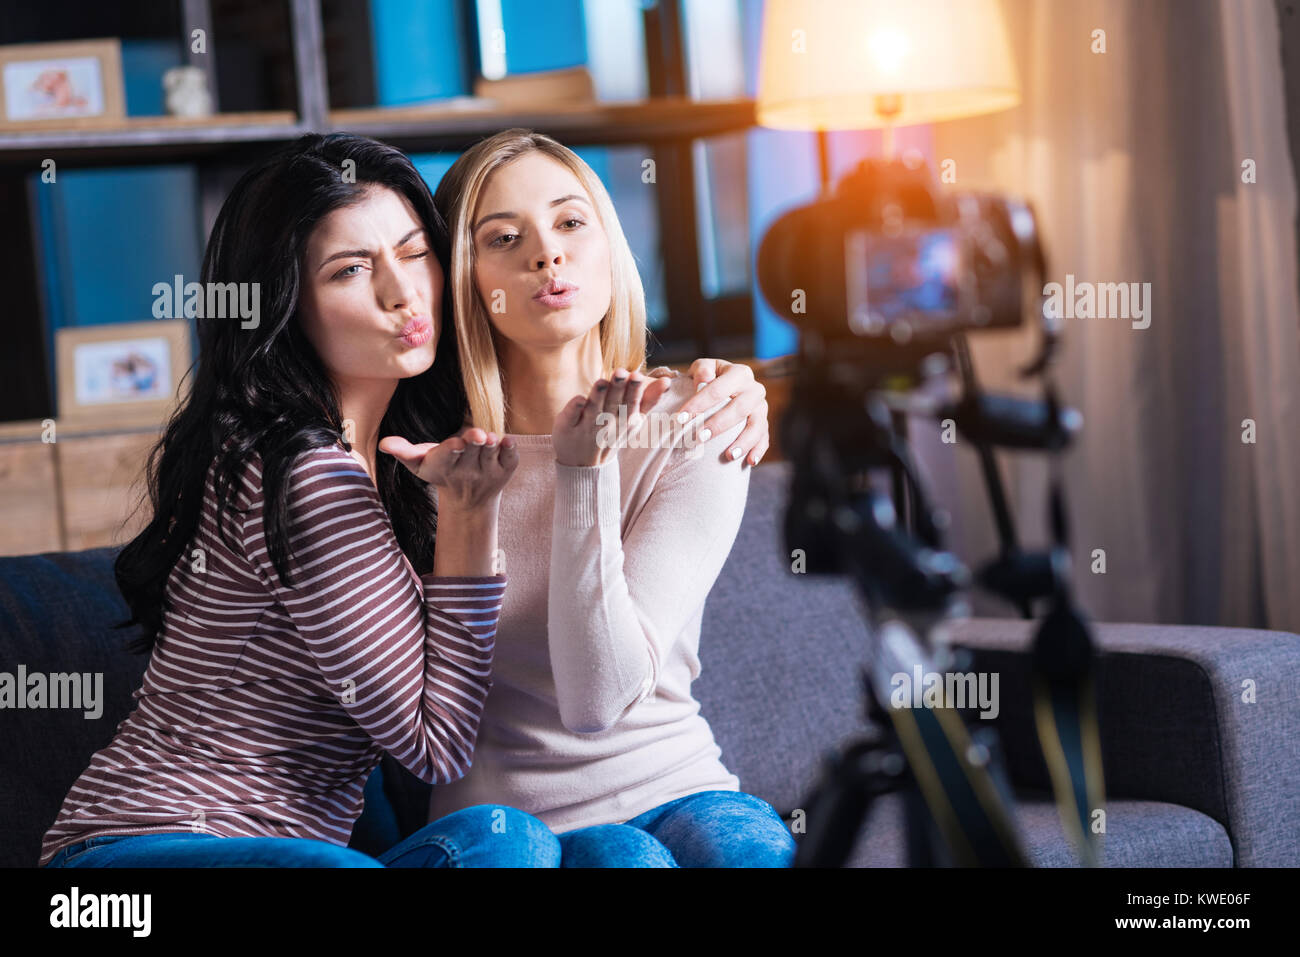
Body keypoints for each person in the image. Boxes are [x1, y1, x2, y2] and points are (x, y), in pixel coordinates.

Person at [40, 132, 560, 868]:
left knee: (542, 843)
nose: (401, 292)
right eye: (349, 270)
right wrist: (472, 518)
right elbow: (436, 744)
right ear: (287, 304)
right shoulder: (299, 466)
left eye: (415, 254)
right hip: (137, 852)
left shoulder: (391, 467)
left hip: (291, 853)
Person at [389, 128, 794, 867]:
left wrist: (589, 470)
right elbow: (590, 703)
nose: (547, 254)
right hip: (506, 831)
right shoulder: (431, 462)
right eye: (504, 238)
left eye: (571, 222)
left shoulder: (700, 421)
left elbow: (606, 695)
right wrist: (582, 472)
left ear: (609, 245)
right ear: (463, 280)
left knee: (750, 852)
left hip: (682, 788)